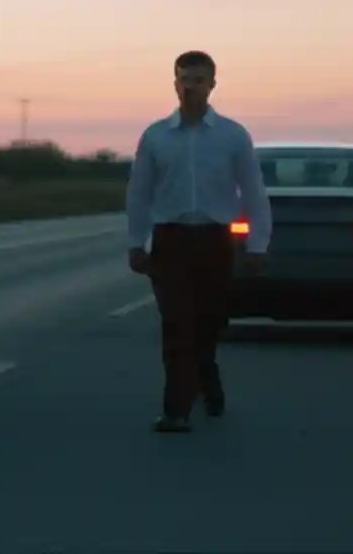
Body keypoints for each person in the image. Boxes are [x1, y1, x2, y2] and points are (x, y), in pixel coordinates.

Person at [124, 50, 272, 433]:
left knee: (206, 324)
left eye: (198, 81)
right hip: (171, 241)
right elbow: (139, 193)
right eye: (184, 80)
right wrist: (136, 242)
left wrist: (258, 244)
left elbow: (254, 192)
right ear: (175, 83)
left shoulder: (232, 136)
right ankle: (176, 409)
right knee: (176, 324)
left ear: (212, 85)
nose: (191, 88)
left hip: (214, 241)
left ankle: (208, 380)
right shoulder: (156, 137)